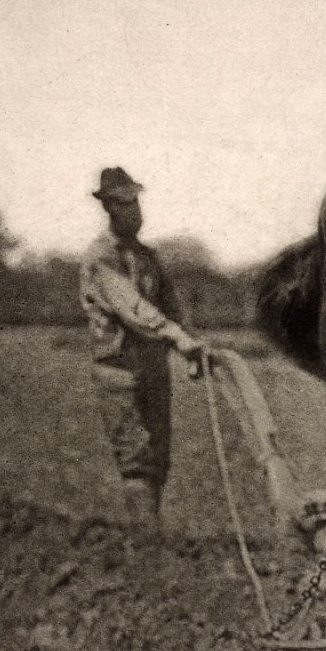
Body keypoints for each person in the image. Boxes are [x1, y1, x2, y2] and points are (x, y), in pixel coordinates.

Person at [79, 167, 206, 525]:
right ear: (108, 209)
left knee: (160, 460)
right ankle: (147, 549)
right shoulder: (102, 257)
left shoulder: (148, 257)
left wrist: (190, 339)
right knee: (138, 462)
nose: (134, 211)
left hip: (154, 371)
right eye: (125, 203)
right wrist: (176, 337)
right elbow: (133, 307)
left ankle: (152, 541)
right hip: (120, 374)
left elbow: (172, 303)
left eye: (136, 202)